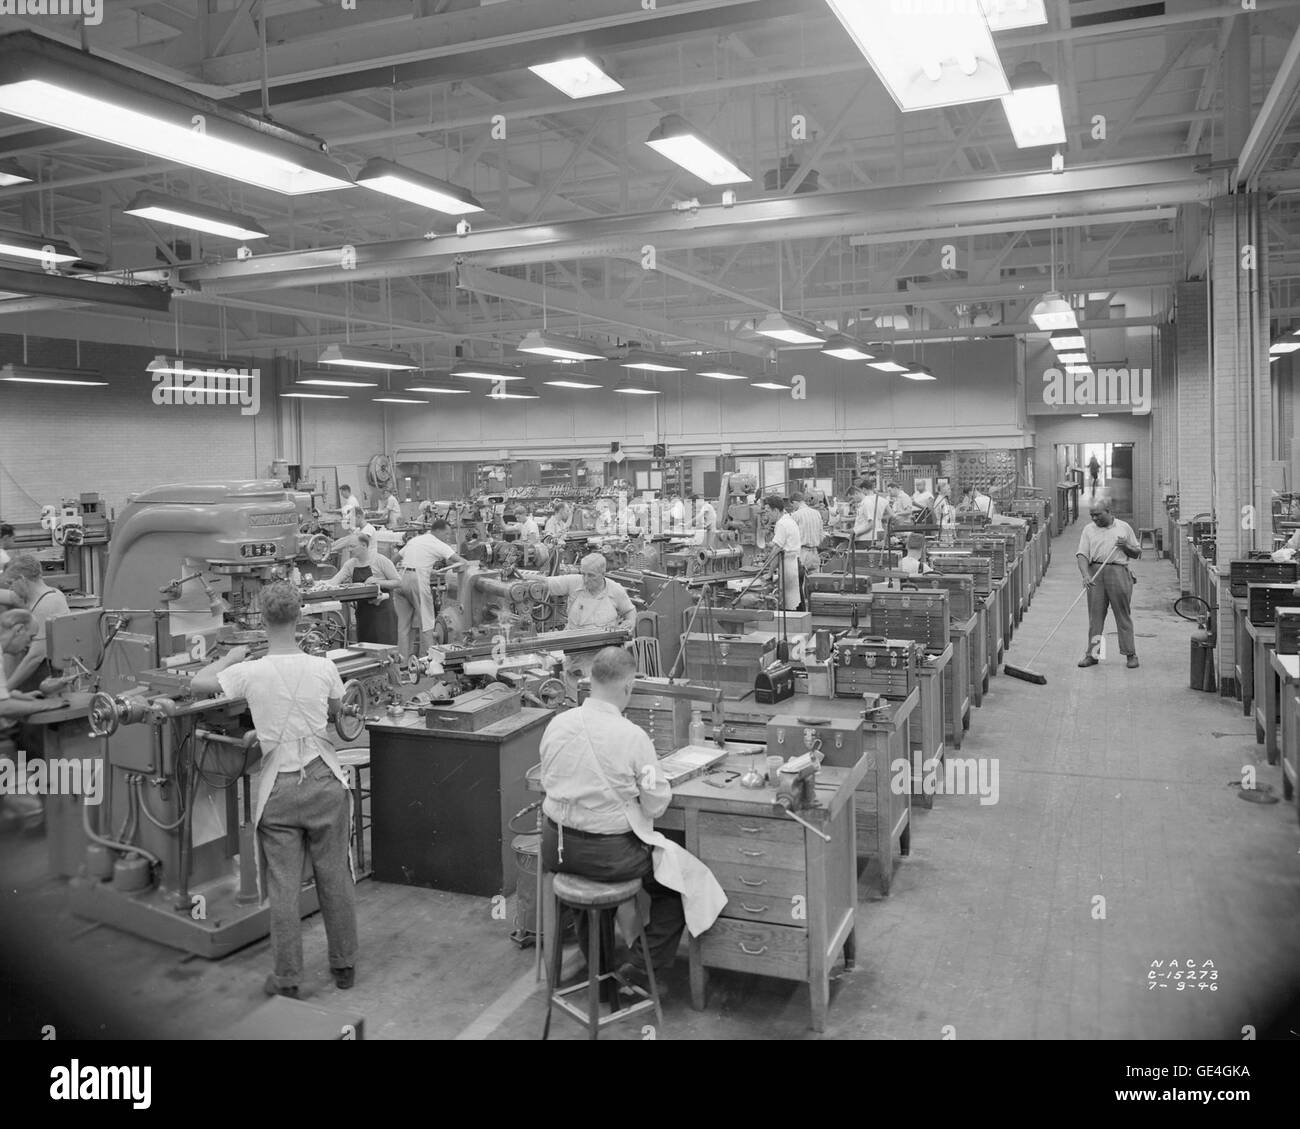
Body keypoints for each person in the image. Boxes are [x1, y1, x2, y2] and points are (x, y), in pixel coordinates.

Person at [192, 583, 358, 999]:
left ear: (262, 621)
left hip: (279, 791)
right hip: (323, 783)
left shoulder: (249, 672)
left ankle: (287, 979)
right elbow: (337, 709)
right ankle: (344, 966)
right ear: (299, 618)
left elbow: (198, 684)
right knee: (334, 877)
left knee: (284, 887)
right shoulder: (323, 667)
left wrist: (228, 657)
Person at [539, 647, 686, 988]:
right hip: (609, 858)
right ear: (628, 687)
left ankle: (601, 973)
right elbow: (656, 804)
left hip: (556, 849)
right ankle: (638, 968)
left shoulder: (557, 724)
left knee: (589, 877)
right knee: (678, 885)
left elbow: (549, 778)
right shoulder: (632, 736)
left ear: (590, 683)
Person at [1076, 500, 1142, 669]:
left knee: (1123, 616)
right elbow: (1082, 554)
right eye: (1092, 515)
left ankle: (1130, 655)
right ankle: (1093, 655)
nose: (1094, 518)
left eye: (1098, 514)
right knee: (1095, 617)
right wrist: (1085, 575)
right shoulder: (1088, 529)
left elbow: (1136, 553)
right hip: (1095, 573)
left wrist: (1125, 546)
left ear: (1109, 511)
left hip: (1118, 572)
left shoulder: (1123, 528)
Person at [0, 555, 70, 700]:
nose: (11, 589)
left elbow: (35, 658)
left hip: (41, 681)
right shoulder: (39, 596)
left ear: (22, 579)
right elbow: (9, 596)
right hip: (29, 682)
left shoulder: (48, 603)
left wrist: (5, 691)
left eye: (11, 583)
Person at [394, 519, 465, 658]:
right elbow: (461, 561)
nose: (448, 537)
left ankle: (402, 665)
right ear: (437, 531)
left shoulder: (416, 540)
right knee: (427, 623)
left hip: (400, 579)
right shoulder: (437, 543)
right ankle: (430, 661)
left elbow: (395, 559)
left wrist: (431, 571)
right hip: (417, 581)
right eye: (447, 534)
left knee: (403, 627)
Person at [328, 529, 401, 645]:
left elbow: (398, 582)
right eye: (349, 547)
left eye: (353, 546)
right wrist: (318, 584)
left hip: (383, 614)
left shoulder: (380, 561)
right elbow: (334, 581)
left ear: (364, 545)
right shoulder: (351, 564)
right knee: (365, 650)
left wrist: (377, 582)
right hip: (363, 615)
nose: (350, 550)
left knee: (385, 651)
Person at [542, 553, 637, 633]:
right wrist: (529, 579)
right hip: (573, 643)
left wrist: (630, 622)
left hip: (604, 646)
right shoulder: (574, 582)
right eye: (583, 574)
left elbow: (630, 610)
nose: (586, 580)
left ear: (603, 574)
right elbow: (544, 583)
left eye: (591, 575)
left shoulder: (615, 589)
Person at [763, 495, 802, 612]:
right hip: (796, 562)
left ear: (775, 510)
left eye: (767, 511)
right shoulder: (789, 520)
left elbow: (776, 551)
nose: (766, 515)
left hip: (789, 567)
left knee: (788, 605)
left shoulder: (781, 524)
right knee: (796, 602)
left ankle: (791, 627)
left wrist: (769, 573)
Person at [789, 492, 824, 573]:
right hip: (815, 553)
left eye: (792, 505)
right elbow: (822, 535)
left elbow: (791, 537)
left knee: (800, 581)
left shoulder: (796, 515)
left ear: (795, 502)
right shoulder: (817, 513)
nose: (793, 508)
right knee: (814, 582)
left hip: (802, 553)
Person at [852, 477, 890, 545]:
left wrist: (855, 531)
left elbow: (871, 524)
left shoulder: (867, 501)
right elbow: (892, 515)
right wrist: (879, 518)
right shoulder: (881, 499)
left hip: (867, 538)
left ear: (862, 489)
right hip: (878, 532)